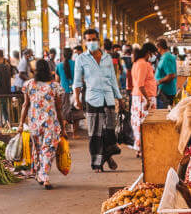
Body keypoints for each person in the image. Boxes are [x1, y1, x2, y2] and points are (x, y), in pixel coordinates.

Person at [74, 33, 122, 172]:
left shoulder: (107, 58)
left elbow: (113, 79)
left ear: (98, 40)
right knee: (95, 133)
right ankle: (97, 164)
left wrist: (119, 97)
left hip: (108, 98)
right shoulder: (81, 59)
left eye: (94, 39)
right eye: (89, 40)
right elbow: (77, 81)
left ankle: (106, 156)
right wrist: (77, 99)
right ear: (85, 42)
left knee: (109, 132)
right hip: (92, 99)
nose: (92, 42)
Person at [20, 58, 64, 190]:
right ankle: (43, 175)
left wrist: (21, 123)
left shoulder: (29, 84)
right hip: (50, 124)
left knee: (39, 149)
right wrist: (62, 126)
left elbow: (25, 105)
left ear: (36, 70)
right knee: (48, 150)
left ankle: (41, 175)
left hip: (34, 124)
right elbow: (58, 108)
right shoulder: (55, 86)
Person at [129, 43, 157, 160]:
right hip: (144, 98)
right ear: (148, 53)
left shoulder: (138, 63)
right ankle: (142, 149)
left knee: (139, 123)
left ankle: (140, 149)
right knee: (145, 124)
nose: (153, 56)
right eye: (153, 54)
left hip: (140, 97)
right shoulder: (142, 64)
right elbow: (141, 84)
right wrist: (147, 100)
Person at [156, 39, 179, 107]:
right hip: (164, 90)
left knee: (165, 110)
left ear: (159, 47)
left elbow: (171, 75)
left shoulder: (167, 57)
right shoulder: (165, 57)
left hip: (166, 92)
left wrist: (158, 81)